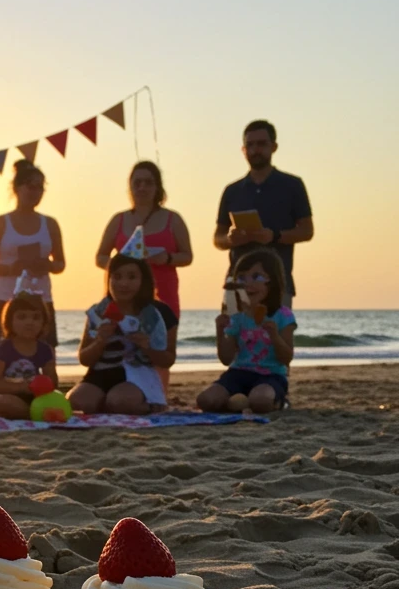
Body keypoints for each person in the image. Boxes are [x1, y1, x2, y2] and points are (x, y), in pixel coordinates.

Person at [95, 161, 191, 396]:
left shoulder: (172, 219)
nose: (142, 187)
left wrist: (166, 257)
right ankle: (125, 390)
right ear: (130, 186)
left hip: (162, 291)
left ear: (158, 186)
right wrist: (122, 266)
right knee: (123, 345)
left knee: (160, 345)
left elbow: (187, 255)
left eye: (148, 182)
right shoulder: (119, 220)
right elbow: (100, 256)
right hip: (124, 293)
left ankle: (159, 395)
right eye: (137, 182)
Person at [214, 120, 313, 308]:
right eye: (250, 145)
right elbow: (218, 238)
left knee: (277, 335)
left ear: (273, 147)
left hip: (276, 281)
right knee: (232, 334)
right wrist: (230, 240)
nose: (255, 150)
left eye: (261, 144)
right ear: (243, 150)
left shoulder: (292, 185)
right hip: (237, 282)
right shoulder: (233, 191)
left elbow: (307, 231)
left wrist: (274, 236)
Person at [66, 255, 175, 415]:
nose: (124, 283)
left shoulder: (151, 316)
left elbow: (168, 360)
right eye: (117, 277)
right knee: (77, 403)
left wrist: (147, 348)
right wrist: (100, 341)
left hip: (137, 374)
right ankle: (106, 404)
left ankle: (152, 406)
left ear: (143, 281)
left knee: (118, 402)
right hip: (100, 372)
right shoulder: (98, 312)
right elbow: (84, 359)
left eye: (132, 277)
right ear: (108, 279)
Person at [0, 159, 65, 349]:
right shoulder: (0, 223)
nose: (35, 192)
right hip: (5, 299)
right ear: (17, 188)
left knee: (45, 355)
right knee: (4, 358)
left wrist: (47, 265)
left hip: (40, 300)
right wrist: (10, 268)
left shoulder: (50, 224)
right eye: (30, 186)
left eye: (40, 188)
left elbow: (60, 264)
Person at [197, 249, 295, 414]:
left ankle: (278, 402)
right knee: (206, 400)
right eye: (241, 277)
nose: (247, 283)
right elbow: (226, 359)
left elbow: (286, 358)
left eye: (257, 277)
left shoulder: (282, 315)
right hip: (239, 372)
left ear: (272, 282)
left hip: (271, 375)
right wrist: (220, 332)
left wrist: (274, 336)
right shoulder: (237, 316)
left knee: (260, 401)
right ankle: (239, 401)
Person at [0, 290, 59, 419]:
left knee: (59, 398)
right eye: (22, 317)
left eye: (36, 317)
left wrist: (43, 384)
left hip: (36, 396)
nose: (29, 322)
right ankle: (32, 414)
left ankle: (36, 412)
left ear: (43, 323)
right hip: (10, 395)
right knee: (1, 403)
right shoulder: (5, 348)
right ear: (10, 321)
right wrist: (21, 387)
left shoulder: (44, 349)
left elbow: (52, 382)